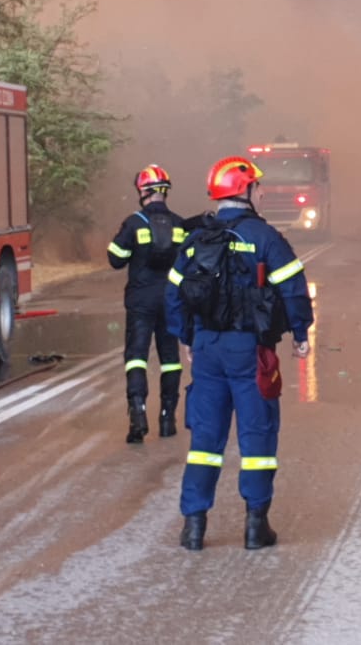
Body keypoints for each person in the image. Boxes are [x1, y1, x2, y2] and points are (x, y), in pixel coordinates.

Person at [166, 156, 313, 551]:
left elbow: (173, 293)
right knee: (257, 437)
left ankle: (193, 526)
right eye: (258, 187)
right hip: (250, 351)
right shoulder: (266, 238)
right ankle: (255, 526)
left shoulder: (197, 239)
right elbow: (293, 290)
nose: (262, 192)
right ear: (245, 191)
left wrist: (186, 337)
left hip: (207, 349)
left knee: (205, 442)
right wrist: (300, 333)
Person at [108, 164, 194, 443]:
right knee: (170, 360)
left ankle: (138, 413)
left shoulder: (133, 223)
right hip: (171, 301)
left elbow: (115, 258)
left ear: (142, 191)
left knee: (136, 357)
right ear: (165, 192)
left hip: (140, 302)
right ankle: (168, 419)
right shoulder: (180, 224)